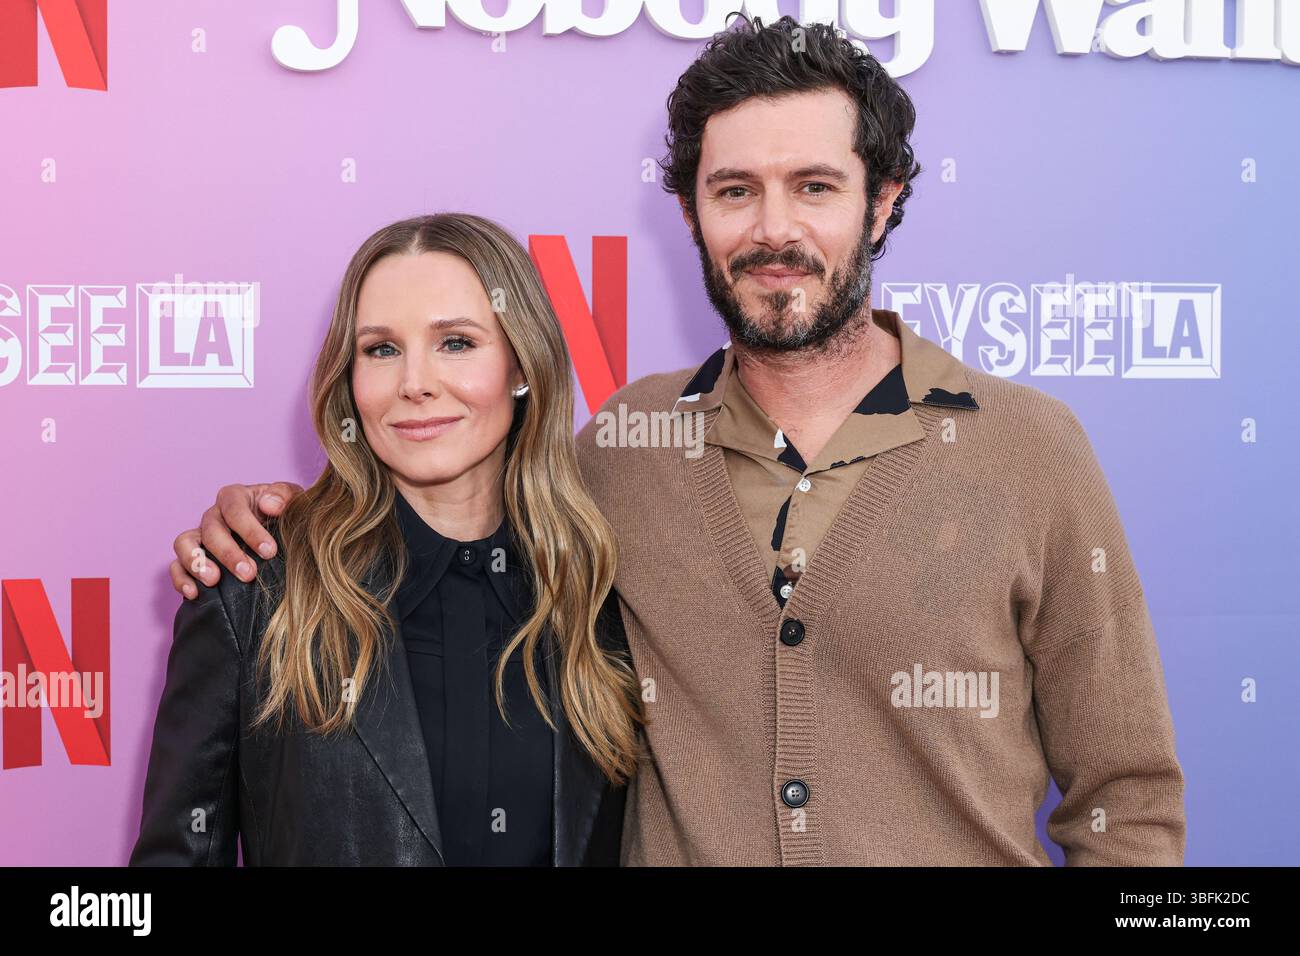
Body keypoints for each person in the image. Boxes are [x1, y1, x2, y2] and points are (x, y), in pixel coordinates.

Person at [166, 16, 1185, 866]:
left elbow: (1126, 801)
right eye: (733, 189)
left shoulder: (1030, 451)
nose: (771, 229)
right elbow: (444, 494)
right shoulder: (621, 454)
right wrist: (270, 518)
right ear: (693, 213)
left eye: (815, 187)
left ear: (884, 203)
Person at [132, 213, 644, 866]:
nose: (414, 382)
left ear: (522, 365)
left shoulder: (596, 593)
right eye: (381, 349)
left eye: (456, 342)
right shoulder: (255, 588)